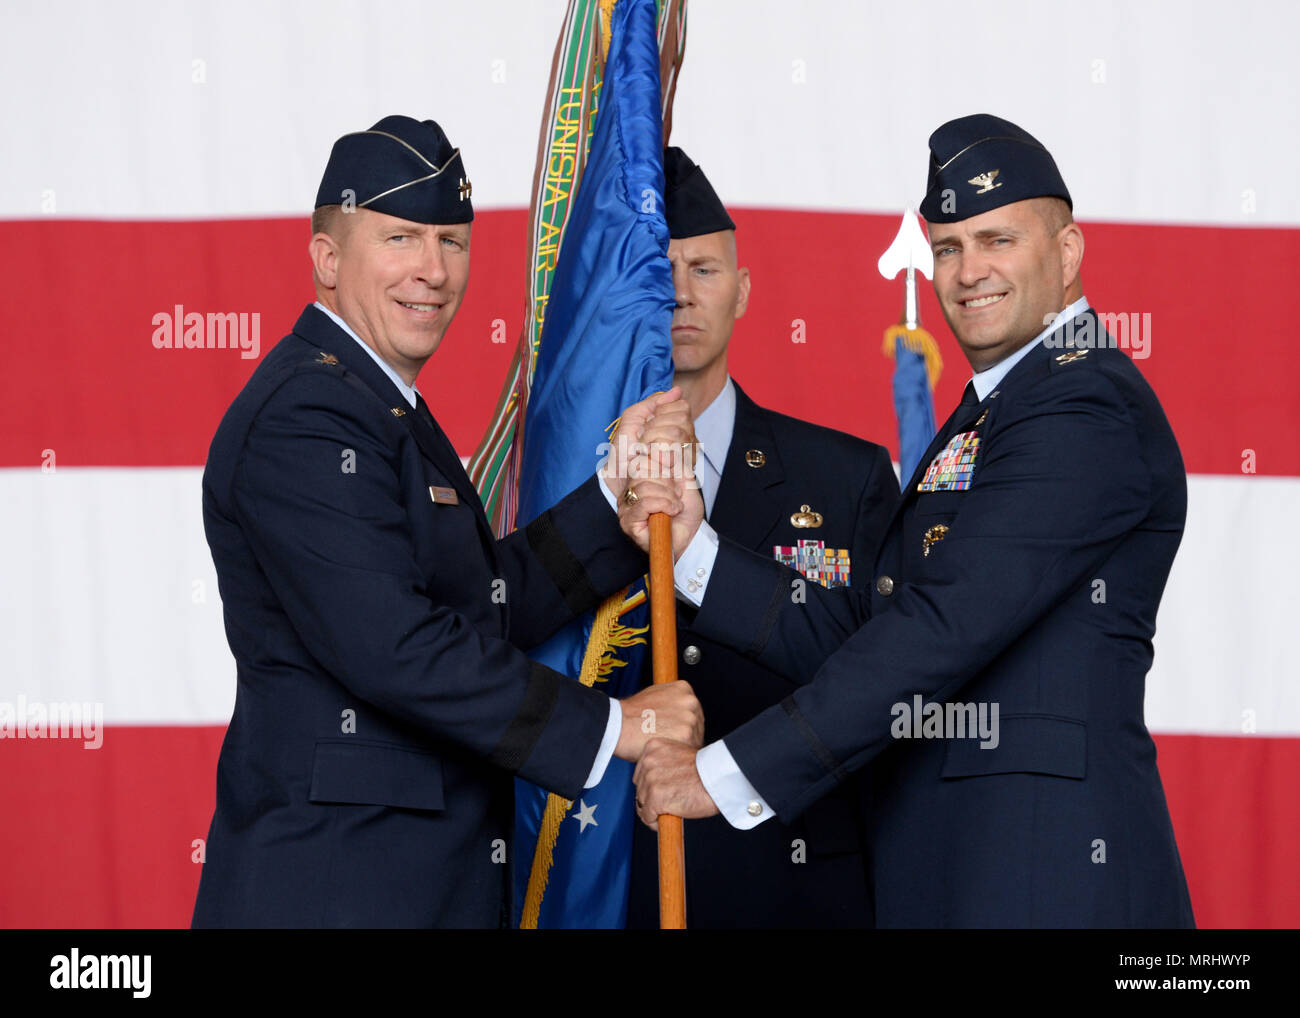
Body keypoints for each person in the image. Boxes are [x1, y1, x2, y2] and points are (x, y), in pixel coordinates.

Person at [624, 114, 1196, 928]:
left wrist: (723, 776)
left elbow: (939, 631)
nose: (969, 272)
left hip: (1048, 885)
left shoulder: (1083, 403)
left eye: (997, 240)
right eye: (950, 247)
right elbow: (881, 627)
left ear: (1066, 254)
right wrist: (694, 549)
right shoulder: (994, 411)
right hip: (958, 878)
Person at [192, 115, 702, 928]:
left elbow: (482, 604)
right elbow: (397, 647)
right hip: (338, 891)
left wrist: (618, 504)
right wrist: (618, 724)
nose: (432, 270)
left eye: (452, 241)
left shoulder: (379, 404)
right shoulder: (308, 413)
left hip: (417, 884)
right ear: (327, 259)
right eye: (400, 239)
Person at [624, 148, 897, 928]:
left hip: (796, 890)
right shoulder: (574, 483)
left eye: (704, 270)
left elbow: (875, 673)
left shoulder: (844, 477)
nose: (679, 293)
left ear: (742, 293)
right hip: (624, 886)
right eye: (658, 268)